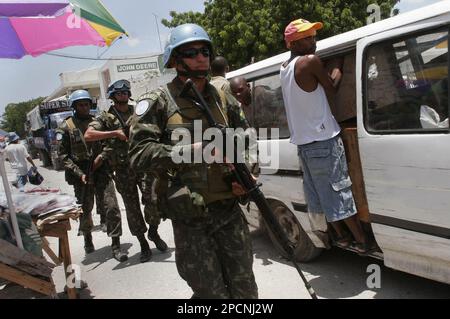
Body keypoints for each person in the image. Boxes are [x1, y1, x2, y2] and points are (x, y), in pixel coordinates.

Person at [128, 23, 258, 298]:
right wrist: (190, 150)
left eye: (205, 51)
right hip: (191, 217)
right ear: (175, 60)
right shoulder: (159, 101)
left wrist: (245, 174)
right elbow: (139, 154)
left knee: (245, 289)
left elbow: (248, 139)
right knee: (210, 293)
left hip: (228, 209)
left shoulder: (223, 99)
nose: (202, 57)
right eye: (192, 52)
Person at [280, 18, 371, 254]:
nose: (313, 41)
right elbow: (332, 87)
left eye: (312, 35)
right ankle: (361, 240)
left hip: (306, 144)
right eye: (306, 38)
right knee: (339, 192)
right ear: (292, 44)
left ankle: (341, 236)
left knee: (321, 194)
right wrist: (339, 62)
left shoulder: (284, 68)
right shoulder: (309, 61)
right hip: (323, 140)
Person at [84, 79, 168, 263]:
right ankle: (143, 243)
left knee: (153, 199)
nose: (123, 95)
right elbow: (88, 135)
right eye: (119, 93)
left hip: (143, 165)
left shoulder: (138, 111)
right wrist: (114, 133)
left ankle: (153, 232)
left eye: (125, 92)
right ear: (113, 96)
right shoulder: (106, 117)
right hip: (123, 170)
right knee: (133, 209)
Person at [56, 90, 127, 262]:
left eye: (87, 104)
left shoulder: (98, 122)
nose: (84, 107)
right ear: (74, 106)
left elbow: (110, 144)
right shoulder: (66, 127)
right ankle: (88, 239)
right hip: (82, 173)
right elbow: (62, 156)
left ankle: (116, 245)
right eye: (80, 105)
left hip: (101, 170)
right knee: (85, 210)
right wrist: (79, 174)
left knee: (111, 207)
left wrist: (101, 158)